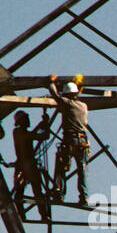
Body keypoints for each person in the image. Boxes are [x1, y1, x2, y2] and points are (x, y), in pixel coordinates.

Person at [47, 74, 90, 204]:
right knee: (82, 170)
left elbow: (55, 96)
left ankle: (59, 194)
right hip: (83, 142)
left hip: (70, 141)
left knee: (61, 167)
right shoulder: (83, 106)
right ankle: (84, 196)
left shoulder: (67, 103)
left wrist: (51, 82)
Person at [10, 111, 51, 220]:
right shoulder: (20, 133)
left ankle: (22, 215)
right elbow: (41, 136)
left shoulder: (18, 132)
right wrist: (45, 125)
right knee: (37, 192)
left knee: (20, 193)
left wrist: (41, 124)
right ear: (21, 121)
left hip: (21, 166)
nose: (28, 121)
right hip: (28, 166)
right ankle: (43, 215)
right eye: (26, 119)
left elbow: (31, 134)